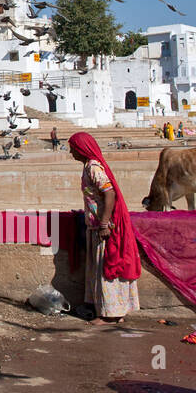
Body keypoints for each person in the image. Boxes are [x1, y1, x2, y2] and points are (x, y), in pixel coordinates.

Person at [70, 132, 140, 324]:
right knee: (97, 270)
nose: (71, 153)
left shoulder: (94, 168)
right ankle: (104, 310)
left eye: (72, 149)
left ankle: (109, 314)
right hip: (94, 226)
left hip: (103, 227)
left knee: (105, 270)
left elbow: (109, 194)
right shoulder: (88, 167)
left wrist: (103, 223)